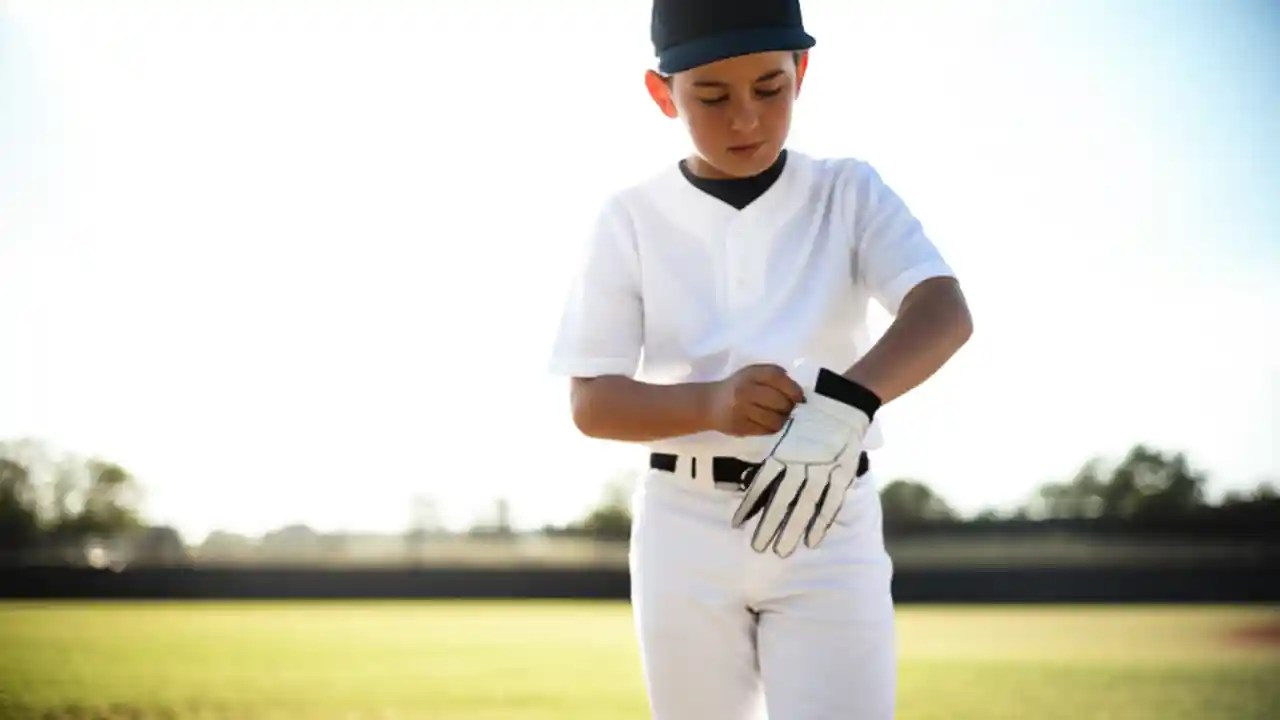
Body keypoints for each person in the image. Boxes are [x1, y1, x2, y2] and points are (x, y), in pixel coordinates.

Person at [547, 0, 974, 717]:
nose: (745, 118)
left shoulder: (848, 190)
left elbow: (943, 311)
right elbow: (591, 403)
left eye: (769, 89)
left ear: (801, 72)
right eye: (712, 96)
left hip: (827, 516)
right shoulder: (630, 216)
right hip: (683, 526)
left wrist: (847, 401)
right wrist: (711, 404)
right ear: (664, 93)